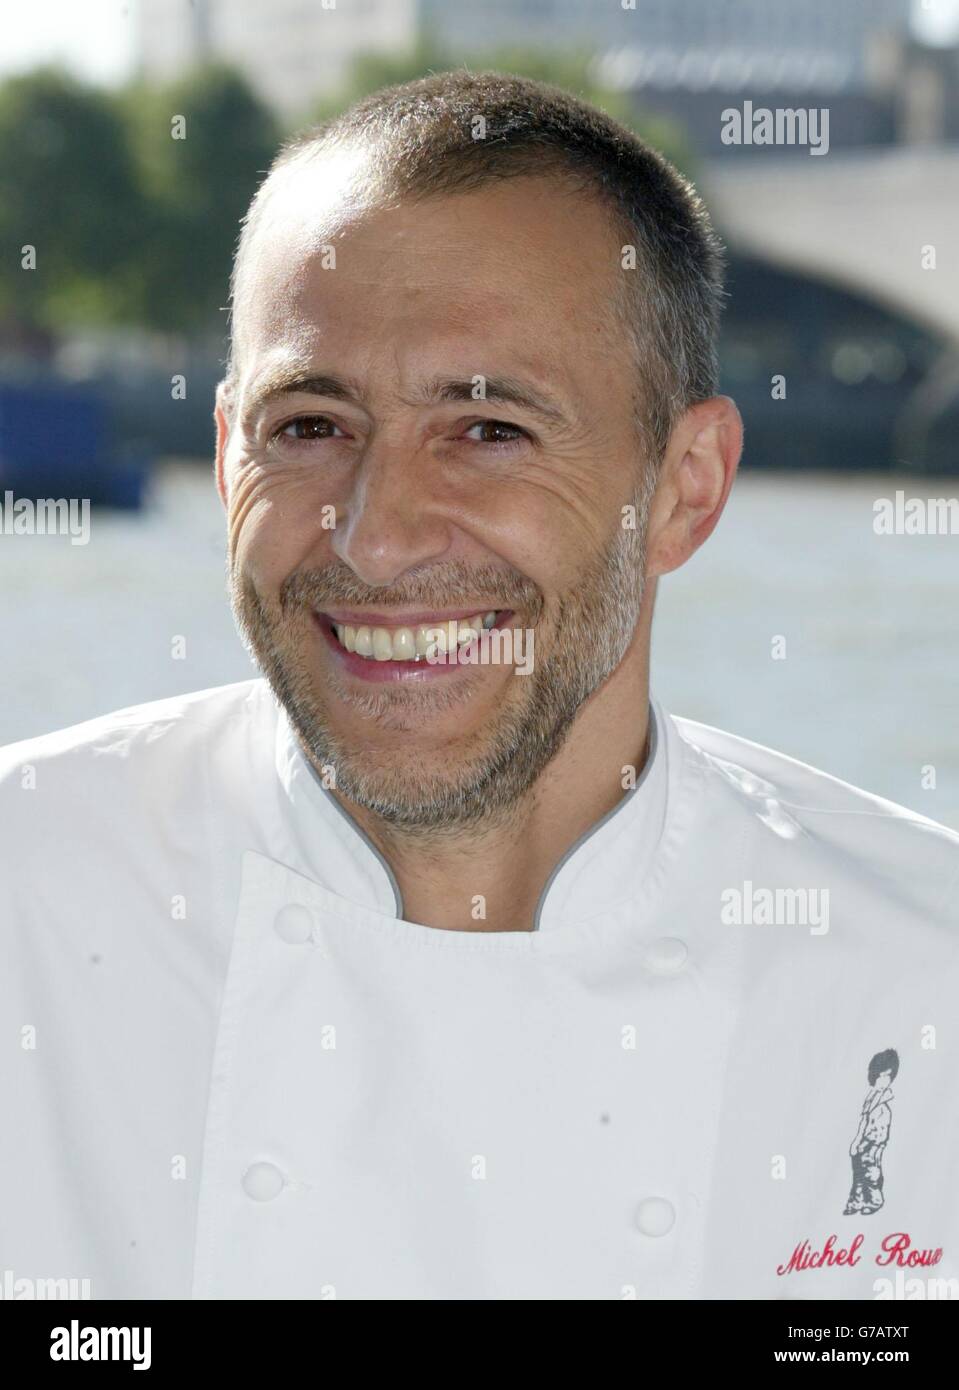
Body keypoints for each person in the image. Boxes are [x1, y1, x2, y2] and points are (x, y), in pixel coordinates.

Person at [1, 72, 956, 1302]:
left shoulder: (920, 985)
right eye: (308, 425)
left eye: (489, 428)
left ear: (685, 488)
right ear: (231, 446)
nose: (376, 537)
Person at [844, 1050, 899, 1217]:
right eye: (880, 1076)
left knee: (872, 1172)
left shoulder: (883, 1103)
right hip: (863, 1141)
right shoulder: (871, 1097)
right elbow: (863, 1121)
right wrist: (857, 1142)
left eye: (887, 1077)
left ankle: (874, 1201)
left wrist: (870, 1143)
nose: (883, 1081)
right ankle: (856, 1201)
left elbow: (880, 1130)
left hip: (875, 1142)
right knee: (858, 1172)